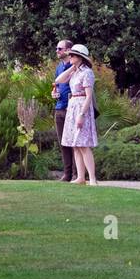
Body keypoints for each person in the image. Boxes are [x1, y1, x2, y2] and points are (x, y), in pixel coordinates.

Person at [55, 44, 99, 185]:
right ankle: (80, 177)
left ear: (80, 57)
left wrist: (81, 114)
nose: (70, 57)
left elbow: (88, 96)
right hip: (72, 105)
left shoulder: (87, 73)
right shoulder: (75, 71)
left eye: (73, 55)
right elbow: (59, 80)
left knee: (83, 144)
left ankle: (92, 178)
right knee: (75, 144)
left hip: (81, 107)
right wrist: (72, 69)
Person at [50, 40, 76, 182]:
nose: (57, 51)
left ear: (68, 50)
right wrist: (55, 93)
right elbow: (58, 86)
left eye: (60, 48)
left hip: (72, 109)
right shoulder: (59, 67)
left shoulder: (75, 66)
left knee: (75, 143)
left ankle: (78, 174)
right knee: (63, 142)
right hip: (59, 108)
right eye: (56, 48)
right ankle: (67, 174)